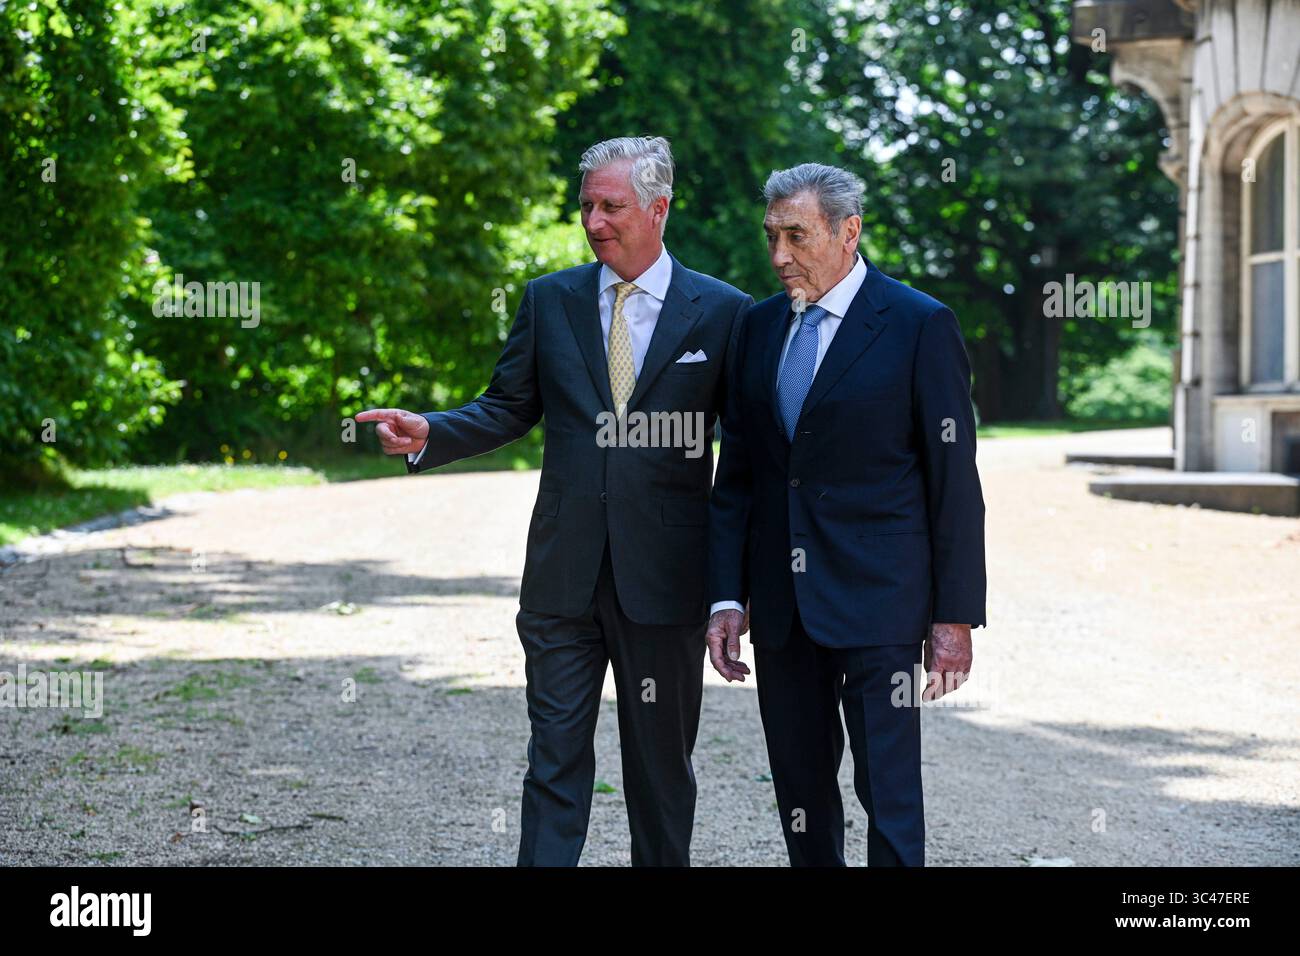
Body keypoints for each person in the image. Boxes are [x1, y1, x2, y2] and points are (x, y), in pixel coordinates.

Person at [358, 136, 751, 866]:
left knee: (662, 774)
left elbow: (748, 461)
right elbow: (507, 406)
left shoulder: (725, 313)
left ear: (659, 209)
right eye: (586, 206)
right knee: (553, 763)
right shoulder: (549, 300)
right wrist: (428, 434)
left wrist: (734, 589)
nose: (595, 221)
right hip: (561, 581)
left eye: (613, 206)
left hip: (667, 583)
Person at [706, 162, 986, 866]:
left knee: (889, 794)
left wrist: (953, 618)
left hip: (882, 608)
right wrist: (725, 598)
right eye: (771, 236)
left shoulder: (920, 324)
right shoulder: (758, 328)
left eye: (796, 236)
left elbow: (954, 483)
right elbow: (737, 476)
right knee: (800, 793)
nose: (778, 256)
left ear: (848, 231)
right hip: (782, 608)